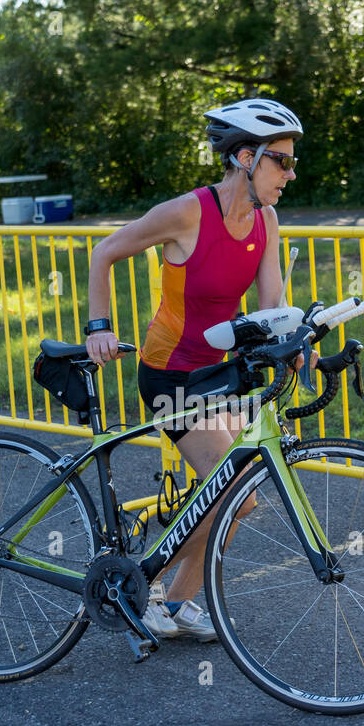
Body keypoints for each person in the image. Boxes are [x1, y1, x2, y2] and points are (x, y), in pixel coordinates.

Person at [82, 98, 303, 642]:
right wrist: (99, 327)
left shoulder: (266, 220)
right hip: (170, 375)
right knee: (235, 493)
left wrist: (295, 342)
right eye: (282, 161)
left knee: (235, 496)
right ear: (246, 158)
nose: (290, 174)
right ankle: (157, 593)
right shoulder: (188, 213)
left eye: (292, 163)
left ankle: (174, 602)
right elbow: (104, 252)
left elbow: (270, 307)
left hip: (215, 375)